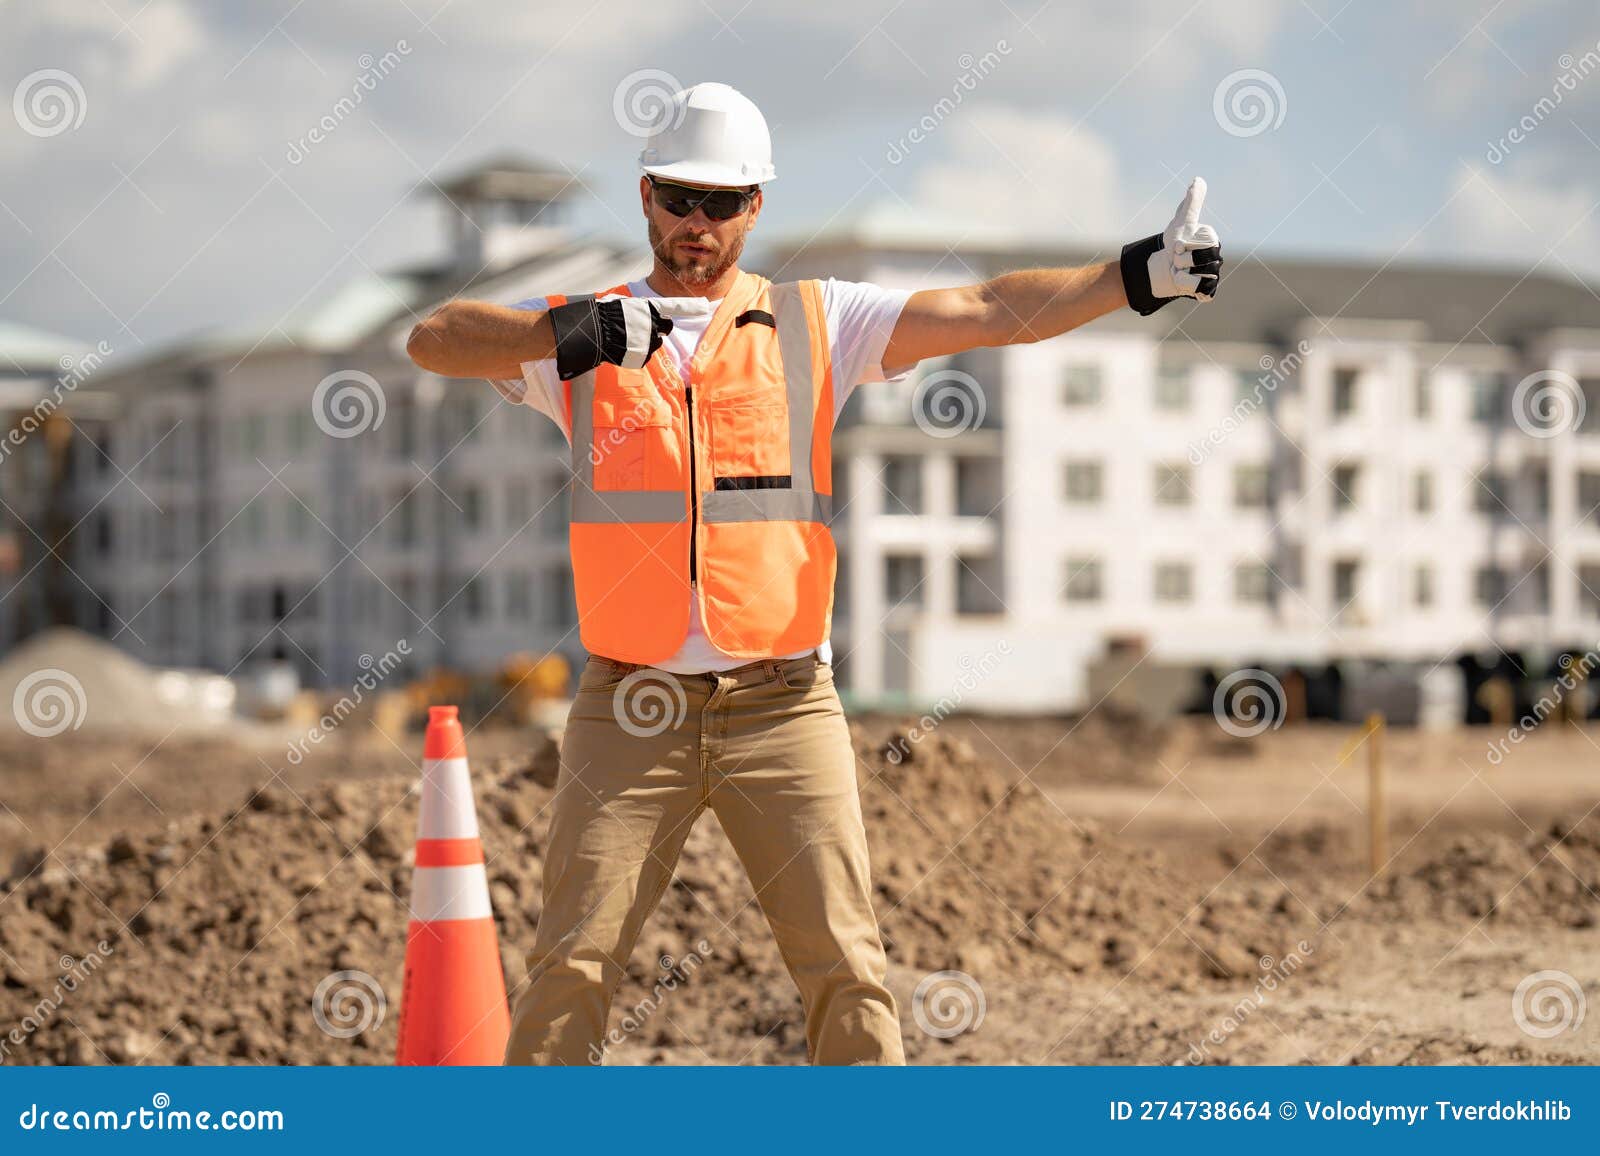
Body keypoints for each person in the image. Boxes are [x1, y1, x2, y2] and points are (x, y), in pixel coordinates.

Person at [406, 81, 1223, 1065]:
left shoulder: (816, 323)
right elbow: (432, 339)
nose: (694, 223)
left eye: (720, 201)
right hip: (629, 705)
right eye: (677, 197)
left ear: (755, 206)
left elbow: (990, 308)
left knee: (844, 961)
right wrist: (560, 334)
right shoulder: (586, 335)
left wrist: (1137, 274)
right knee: (573, 963)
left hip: (783, 704)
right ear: (644, 195)